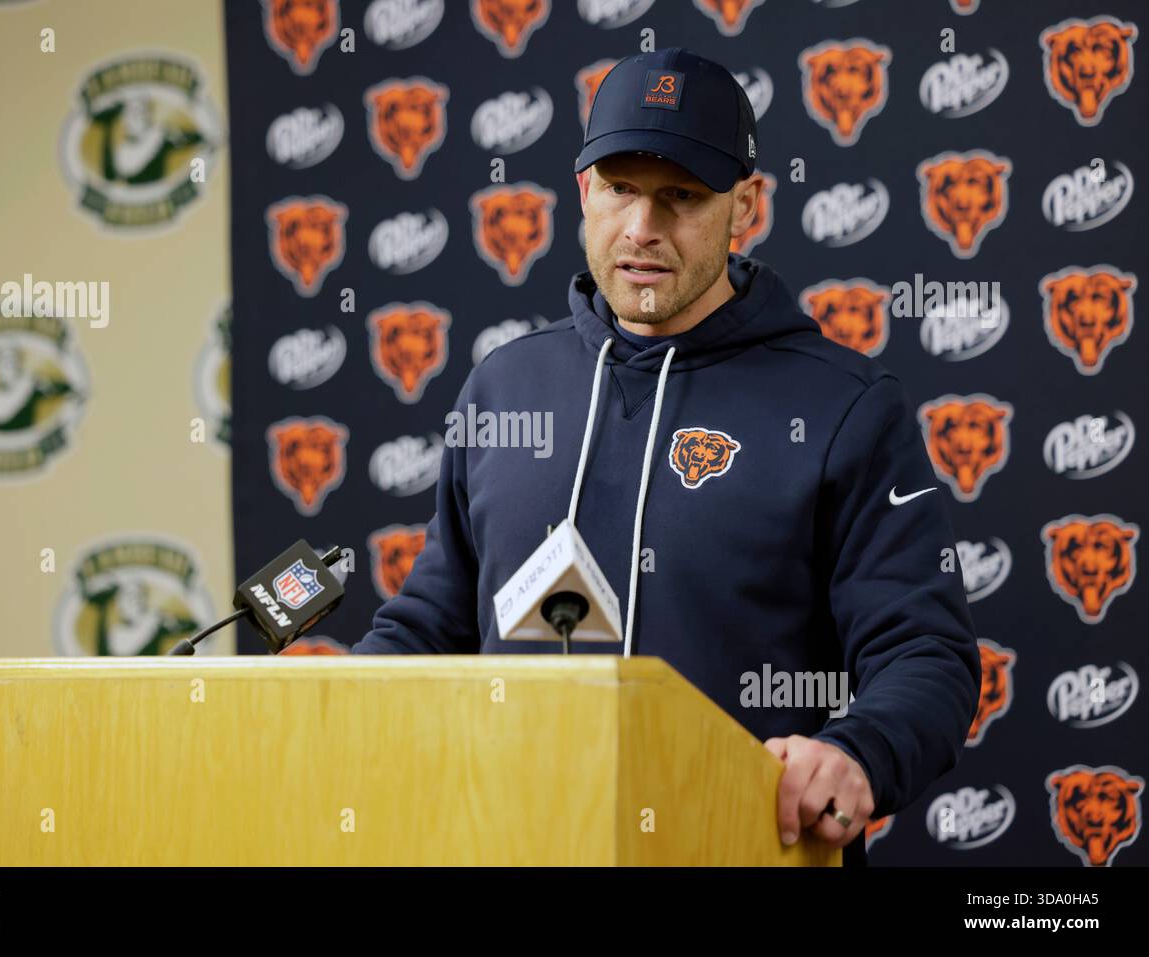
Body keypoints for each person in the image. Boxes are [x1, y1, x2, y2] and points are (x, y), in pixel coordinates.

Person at [350, 47, 981, 867]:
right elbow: (433, 626)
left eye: (681, 197)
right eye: (619, 191)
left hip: (742, 847)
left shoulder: (844, 406)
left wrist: (856, 752)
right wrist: (321, 711)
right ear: (583, 193)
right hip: (513, 840)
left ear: (746, 206)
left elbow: (923, 652)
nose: (641, 230)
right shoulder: (504, 389)